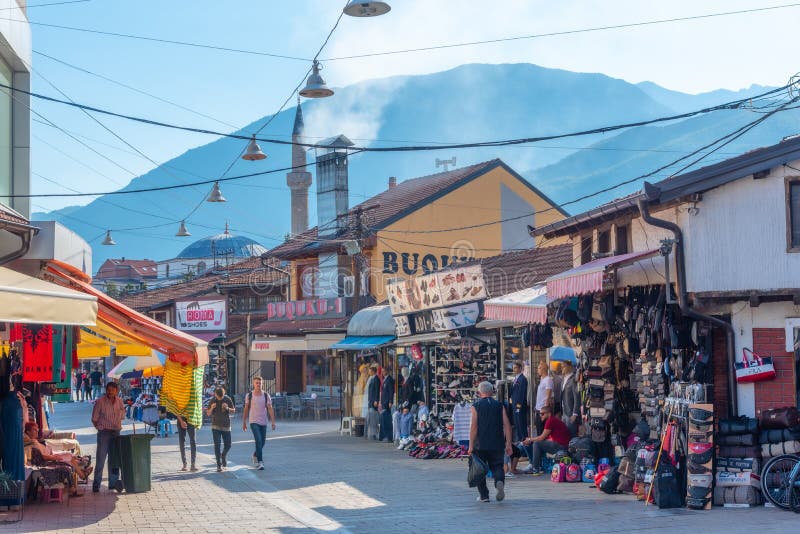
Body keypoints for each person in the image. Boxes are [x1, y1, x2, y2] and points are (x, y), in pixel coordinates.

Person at [468, 381, 513, 503]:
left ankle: (484, 495)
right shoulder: (499, 405)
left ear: (479, 393)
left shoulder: (475, 406)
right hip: (497, 443)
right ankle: (499, 481)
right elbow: (507, 425)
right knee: (497, 466)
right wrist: (509, 444)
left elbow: (474, 427)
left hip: (480, 444)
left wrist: (471, 445)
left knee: (479, 469)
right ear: (492, 392)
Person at [23, 421, 92, 494]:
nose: (37, 431)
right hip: (49, 458)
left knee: (71, 457)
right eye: (34, 430)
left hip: (51, 454)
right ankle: (82, 474)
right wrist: (54, 458)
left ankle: (81, 473)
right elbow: (43, 456)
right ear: (28, 432)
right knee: (70, 458)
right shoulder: (32, 443)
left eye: (37, 429)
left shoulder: (34, 441)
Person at [91, 381, 125, 493]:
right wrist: (99, 428)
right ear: (106, 390)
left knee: (114, 460)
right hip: (104, 433)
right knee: (101, 459)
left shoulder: (120, 401)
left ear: (116, 391)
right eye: (109, 389)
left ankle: (113, 483)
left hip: (116, 433)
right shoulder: (100, 402)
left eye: (113, 390)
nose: (110, 392)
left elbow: (123, 415)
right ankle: (96, 484)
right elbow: (94, 418)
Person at [521, 405, 571, 474]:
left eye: (542, 414)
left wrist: (529, 439)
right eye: (540, 414)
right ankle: (538, 465)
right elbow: (546, 438)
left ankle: (535, 468)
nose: (540, 415)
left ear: (549, 413)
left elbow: (542, 437)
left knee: (537, 444)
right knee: (536, 443)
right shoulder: (553, 420)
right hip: (562, 445)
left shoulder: (550, 421)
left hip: (561, 446)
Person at [242, 376, 276, 471]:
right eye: (256, 383)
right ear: (253, 384)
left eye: (260, 383)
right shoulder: (249, 395)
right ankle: (260, 462)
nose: (258, 384)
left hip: (263, 421)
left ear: (262, 384)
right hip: (253, 421)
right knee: (258, 440)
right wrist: (244, 422)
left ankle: (255, 454)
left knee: (263, 442)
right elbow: (246, 409)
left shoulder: (266, 395)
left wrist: (273, 422)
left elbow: (270, 408)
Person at [206, 387, 234, 472]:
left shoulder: (227, 399)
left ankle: (223, 455)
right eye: (218, 397)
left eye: (221, 397)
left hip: (226, 426)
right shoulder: (213, 400)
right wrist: (212, 408)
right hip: (215, 426)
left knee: (228, 445)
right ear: (215, 395)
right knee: (217, 445)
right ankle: (218, 465)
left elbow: (233, 410)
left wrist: (227, 408)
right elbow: (208, 413)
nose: (220, 399)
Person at [560, 360, 581, 437]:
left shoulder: (573, 380)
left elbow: (577, 397)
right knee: (565, 435)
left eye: (563, 366)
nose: (561, 368)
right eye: (561, 366)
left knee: (572, 434)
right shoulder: (563, 380)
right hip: (564, 412)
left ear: (569, 367)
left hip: (570, 412)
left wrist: (575, 413)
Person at [509, 362, 528, 443]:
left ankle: (524, 441)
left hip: (519, 406)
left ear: (520, 368)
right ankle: (521, 441)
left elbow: (521, 394)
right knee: (517, 424)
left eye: (516, 367)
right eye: (513, 368)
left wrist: (518, 407)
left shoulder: (522, 379)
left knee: (521, 424)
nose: (514, 369)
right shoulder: (515, 378)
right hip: (514, 404)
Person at [534, 360, 553, 436]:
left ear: (543, 369)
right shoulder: (542, 380)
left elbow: (548, 396)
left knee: (542, 431)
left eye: (539, 368)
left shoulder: (548, 380)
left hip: (543, 410)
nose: (537, 370)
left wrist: (544, 411)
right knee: (538, 429)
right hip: (538, 408)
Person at [379, 367, 394, 442]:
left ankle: (389, 437)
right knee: (383, 420)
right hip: (384, 402)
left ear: (387, 371)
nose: (383, 373)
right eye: (382, 371)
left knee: (387, 420)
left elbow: (391, 391)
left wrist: (390, 401)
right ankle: (383, 436)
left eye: (384, 371)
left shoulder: (389, 379)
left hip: (387, 402)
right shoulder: (384, 379)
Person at [365, 365, 380, 440]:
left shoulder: (376, 379)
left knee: (373, 417)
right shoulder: (371, 379)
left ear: (373, 371)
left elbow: (377, 390)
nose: (369, 372)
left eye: (370, 371)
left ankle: (374, 433)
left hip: (374, 400)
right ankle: (370, 433)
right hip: (370, 400)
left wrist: (376, 400)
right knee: (370, 417)